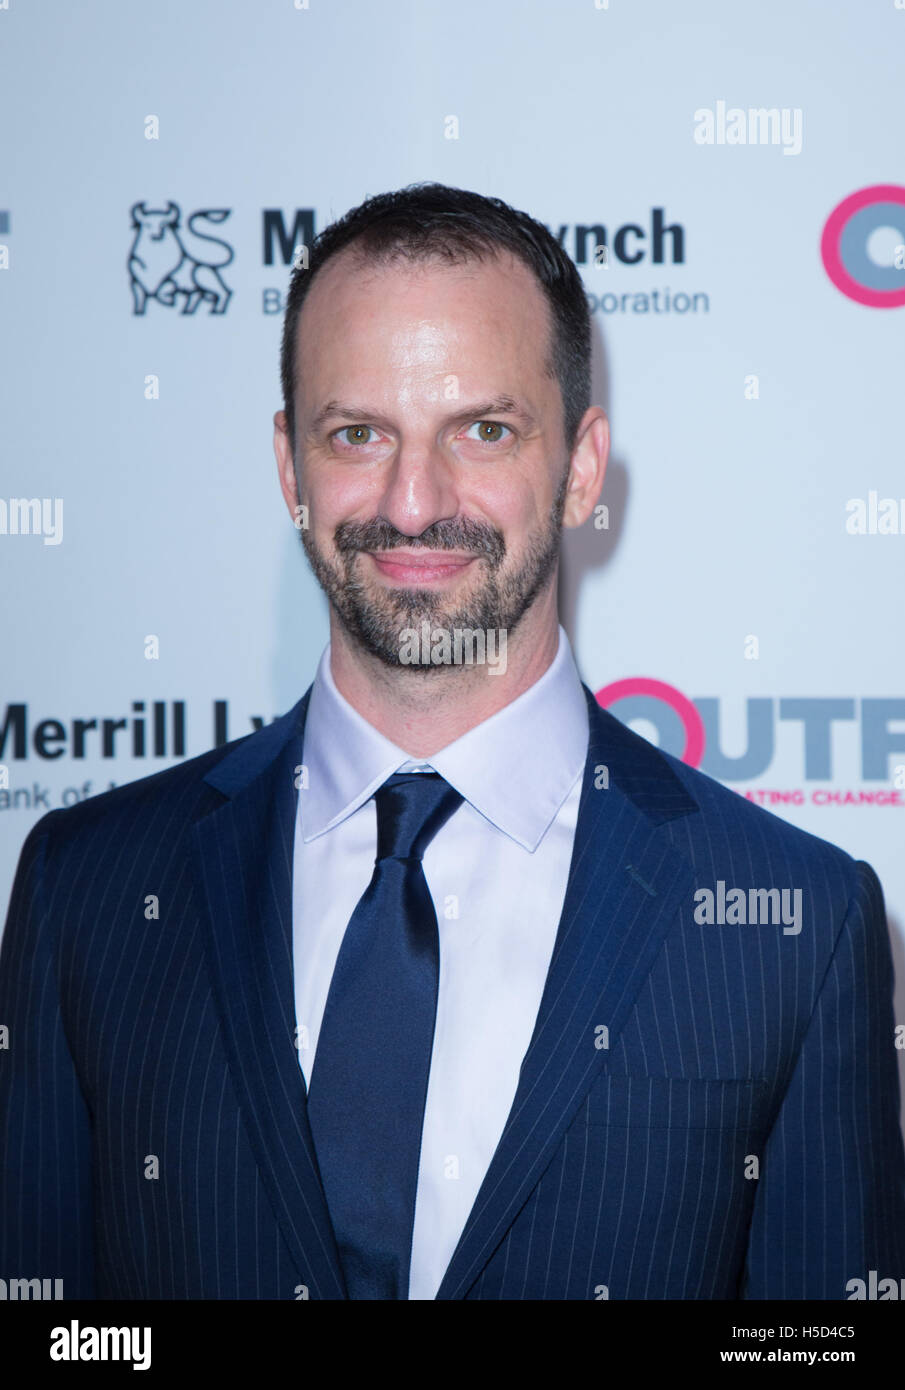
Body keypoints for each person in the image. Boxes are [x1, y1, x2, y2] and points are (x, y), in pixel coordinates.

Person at [2, 183, 903, 1300]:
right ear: (290, 467)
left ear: (577, 467)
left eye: (482, 429)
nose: (414, 501)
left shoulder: (791, 924)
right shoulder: (84, 889)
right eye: (358, 432)